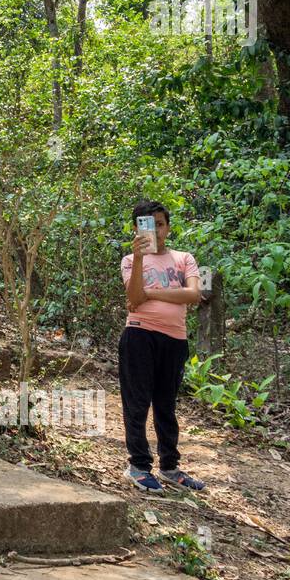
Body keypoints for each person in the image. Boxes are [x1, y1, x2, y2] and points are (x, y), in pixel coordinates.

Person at [119, 199, 204, 493]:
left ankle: (170, 467)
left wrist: (151, 292)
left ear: (168, 227)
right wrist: (140, 258)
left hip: (175, 339)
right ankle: (139, 466)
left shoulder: (184, 258)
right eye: (147, 224)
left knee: (166, 405)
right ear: (135, 229)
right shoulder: (130, 261)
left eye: (160, 224)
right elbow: (134, 299)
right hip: (140, 335)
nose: (155, 229)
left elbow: (194, 295)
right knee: (137, 403)